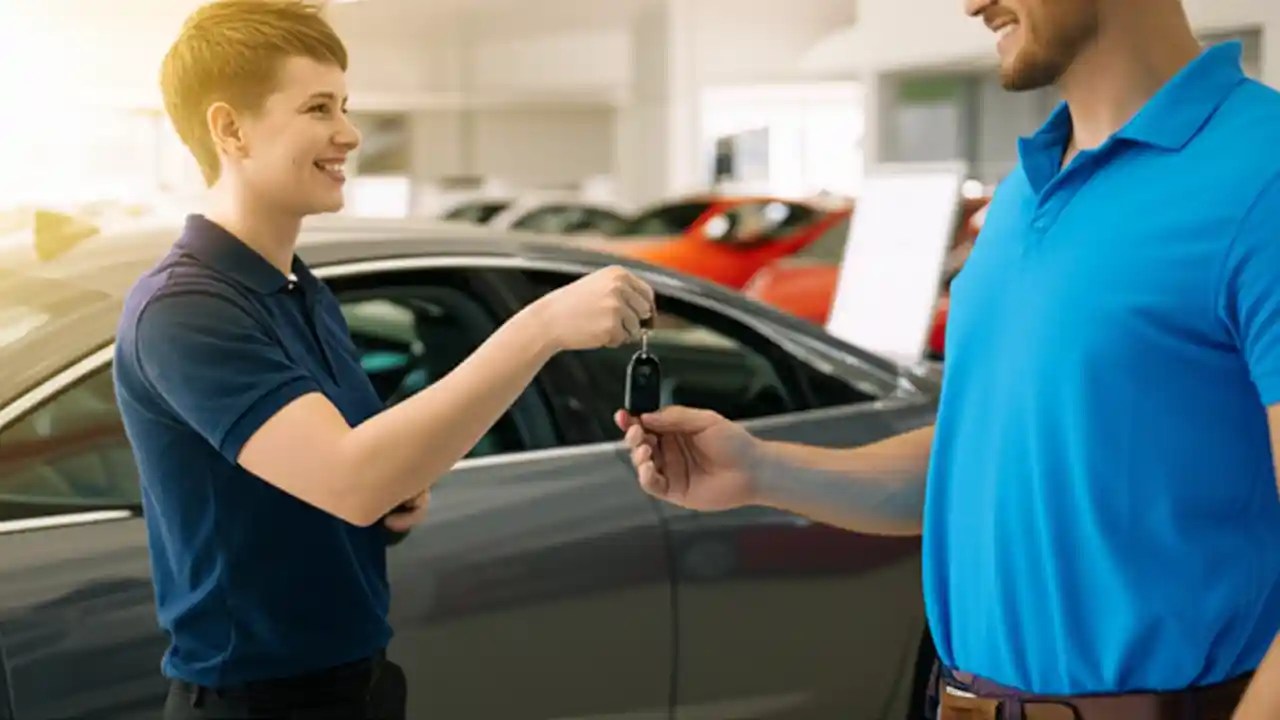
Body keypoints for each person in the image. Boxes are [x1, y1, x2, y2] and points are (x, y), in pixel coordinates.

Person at [619, 0, 1280, 718]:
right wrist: (762, 468)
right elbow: (983, 462)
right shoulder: (1025, 191)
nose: (970, 2)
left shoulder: (1263, 174)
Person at [112, 2, 655, 718]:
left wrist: (399, 483)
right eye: (317, 107)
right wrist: (542, 325)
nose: (350, 132)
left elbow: (357, 469)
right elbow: (352, 478)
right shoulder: (185, 309)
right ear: (229, 128)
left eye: (345, 104)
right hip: (256, 703)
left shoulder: (300, 289)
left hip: (357, 681)